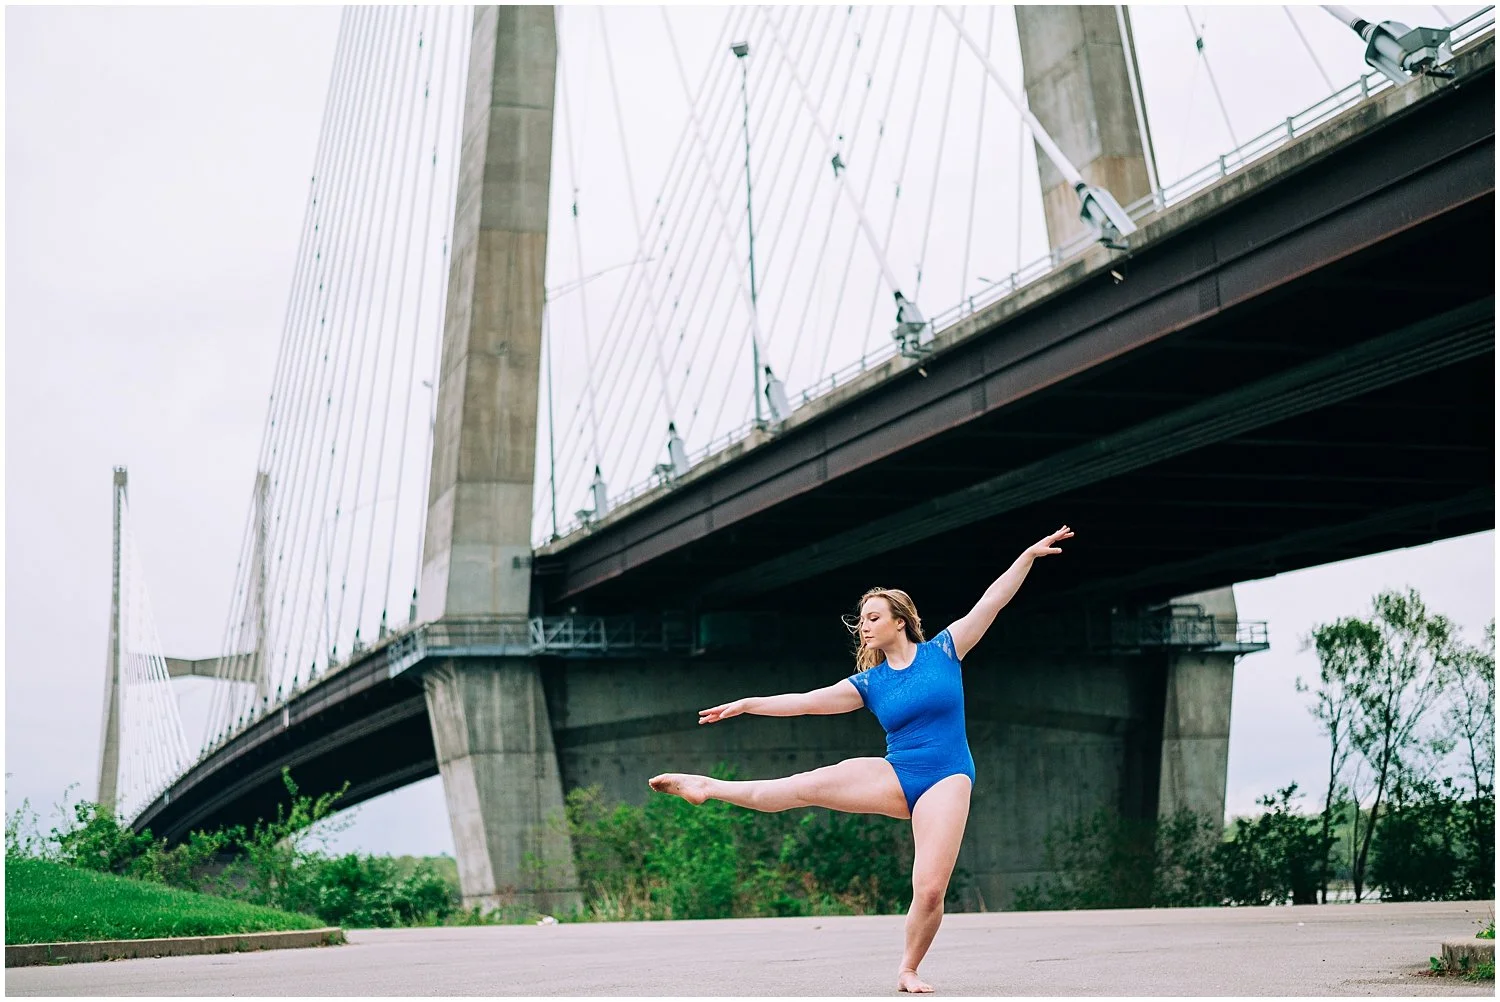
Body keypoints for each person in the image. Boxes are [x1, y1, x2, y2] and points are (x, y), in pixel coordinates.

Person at [650, 525, 1075, 993]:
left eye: (873, 617)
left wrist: (1028, 555)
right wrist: (749, 703)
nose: (864, 625)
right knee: (799, 786)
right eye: (861, 618)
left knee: (930, 888)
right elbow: (807, 701)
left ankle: (908, 969)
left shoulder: (945, 650)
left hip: (947, 776)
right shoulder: (869, 685)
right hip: (896, 772)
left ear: (900, 621)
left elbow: (992, 601)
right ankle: (706, 787)